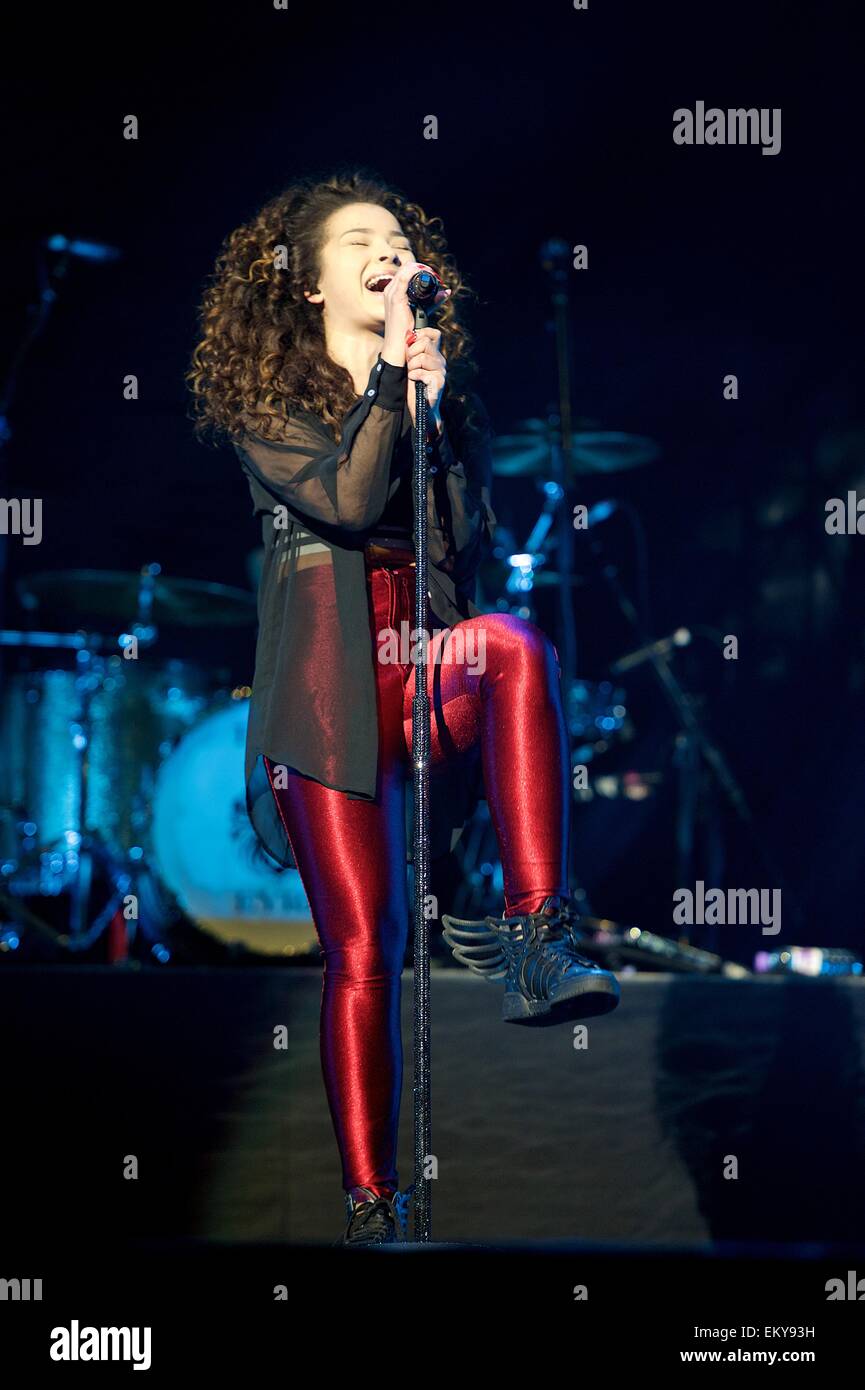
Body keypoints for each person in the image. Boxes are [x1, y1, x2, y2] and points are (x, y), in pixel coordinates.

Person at [187, 169, 620, 1247]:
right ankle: (373, 1201)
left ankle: (533, 933)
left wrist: (427, 410)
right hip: (325, 691)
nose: (387, 253)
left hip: (419, 657)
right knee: (365, 952)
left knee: (515, 642)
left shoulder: (438, 388)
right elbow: (337, 500)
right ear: (306, 284)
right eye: (358, 243)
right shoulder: (263, 399)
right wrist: (386, 384)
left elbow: (455, 547)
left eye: (397, 239)